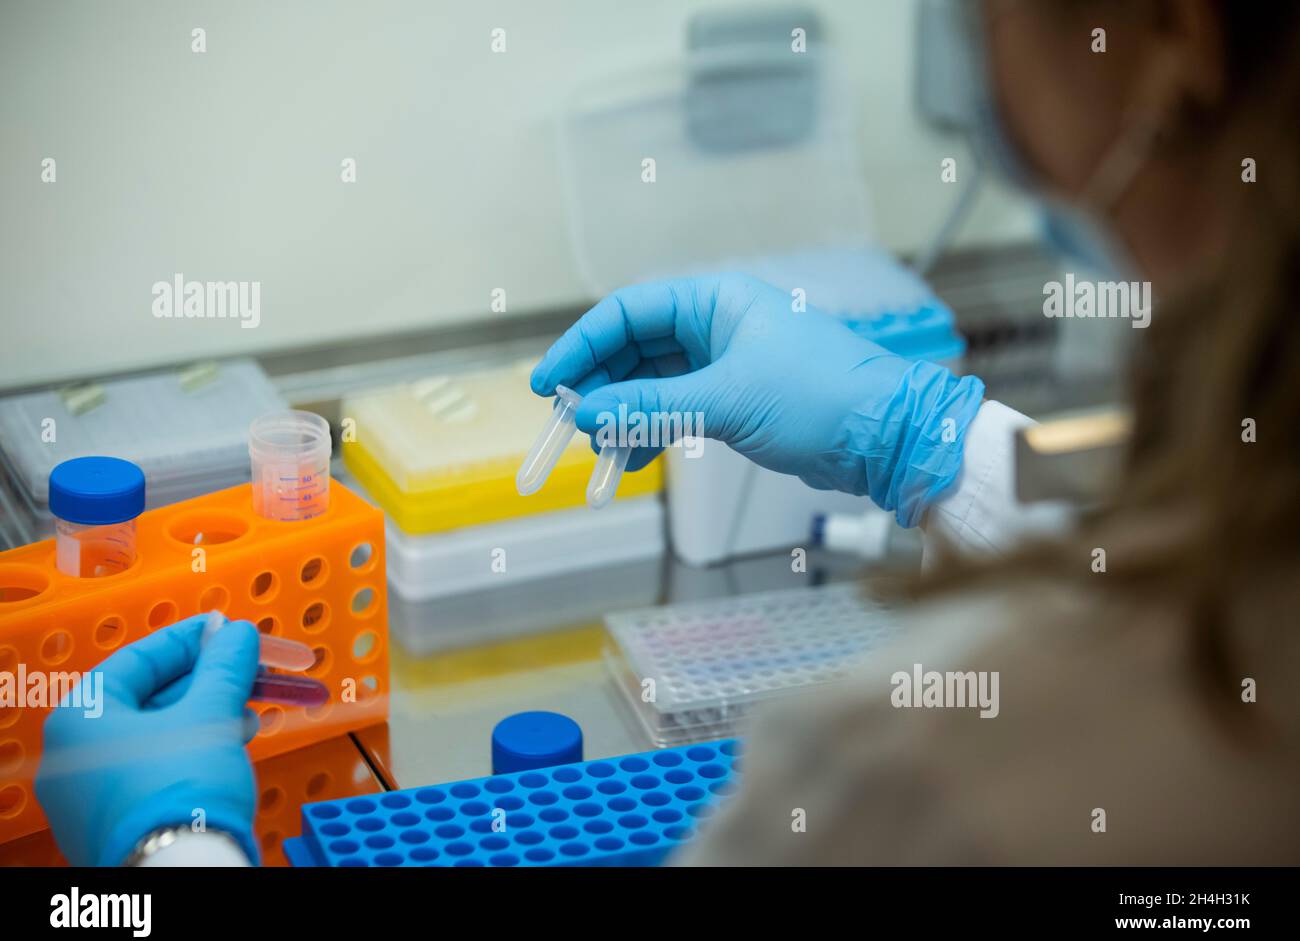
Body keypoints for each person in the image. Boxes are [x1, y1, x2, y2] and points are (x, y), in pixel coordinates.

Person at [35, 0, 1300, 865]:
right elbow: (1205, 552)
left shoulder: (917, 772)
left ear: (1173, 35)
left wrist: (167, 850)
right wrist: (933, 435)